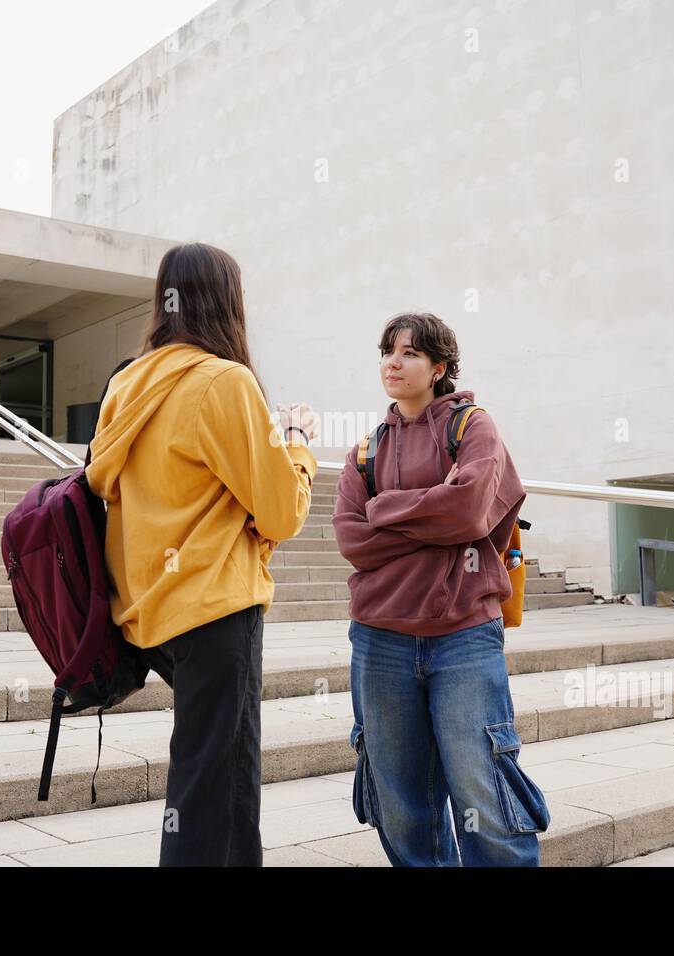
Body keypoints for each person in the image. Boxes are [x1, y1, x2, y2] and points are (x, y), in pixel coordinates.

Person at [84, 241, 319, 866]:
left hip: (144, 613)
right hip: (212, 611)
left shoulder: (125, 383)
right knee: (212, 785)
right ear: (227, 301)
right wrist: (296, 443)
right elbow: (283, 511)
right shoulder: (223, 382)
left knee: (225, 780)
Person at [332, 311, 551, 866]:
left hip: (464, 635)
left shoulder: (472, 427)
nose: (393, 362)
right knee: (401, 801)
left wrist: (386, 510)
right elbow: (354, 541)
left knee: (485, 787)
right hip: (380, 639)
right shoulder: (365, 452)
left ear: (440, 367)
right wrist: (435, 523)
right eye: (387, 351)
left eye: (409, 353)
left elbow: (471, 509)